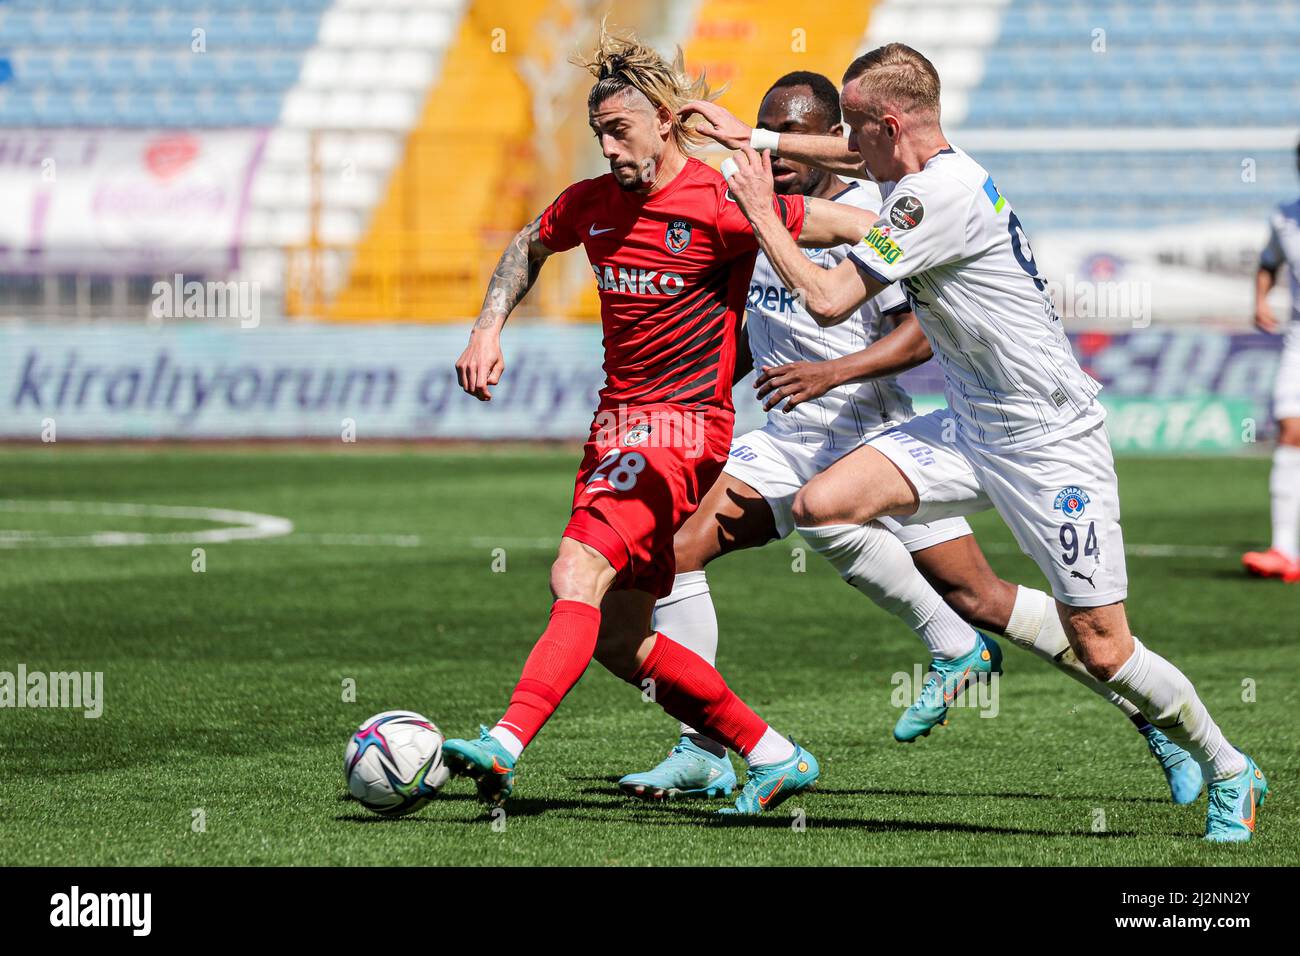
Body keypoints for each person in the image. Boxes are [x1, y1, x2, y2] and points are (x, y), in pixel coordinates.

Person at [682, 43, 1264, 841]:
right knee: (823, 505)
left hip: (1049, 441)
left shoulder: (931, 200)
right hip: (967, 423)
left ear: (890, 127)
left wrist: (756, 205)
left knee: (1104, 647)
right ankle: (956, 646)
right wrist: (755, 140)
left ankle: (1229, 765)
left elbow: (826, 300)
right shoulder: (927, 167)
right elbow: (848, 154)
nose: (847, 147)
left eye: (856, 129)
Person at [444, 27, 875, 815]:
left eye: (621, 130)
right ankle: (773, 755)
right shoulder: (592, 205)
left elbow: (848, 224)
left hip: (681, 432)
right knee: (617, 637)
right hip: (615, 430)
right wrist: (486, 327)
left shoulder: (719, 203)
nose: (609, 148)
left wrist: (923, 262)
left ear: (666, 123)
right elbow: (530, 243)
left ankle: (504, 743)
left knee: (575, 571)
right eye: (600, 134)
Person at [1242, 139, 1300, 583]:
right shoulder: (1285, 216)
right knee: (1290, 429)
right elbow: (1268, 263)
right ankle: (1283, 550)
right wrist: (1261, 300)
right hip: (1298, 338)